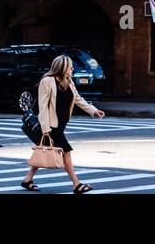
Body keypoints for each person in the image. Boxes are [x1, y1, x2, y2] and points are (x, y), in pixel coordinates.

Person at [20, 54, 104, 193]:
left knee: (44, 149)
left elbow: (78, 99)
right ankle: (76, 184)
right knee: (66, 152)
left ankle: (27, 179)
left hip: (61, 124)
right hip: (51, 126)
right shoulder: (47, 81)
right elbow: (43, 106)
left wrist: (94, 111)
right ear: (63, 68)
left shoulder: (68, 81)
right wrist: (46, 129)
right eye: (70, 68)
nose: (72, 70)